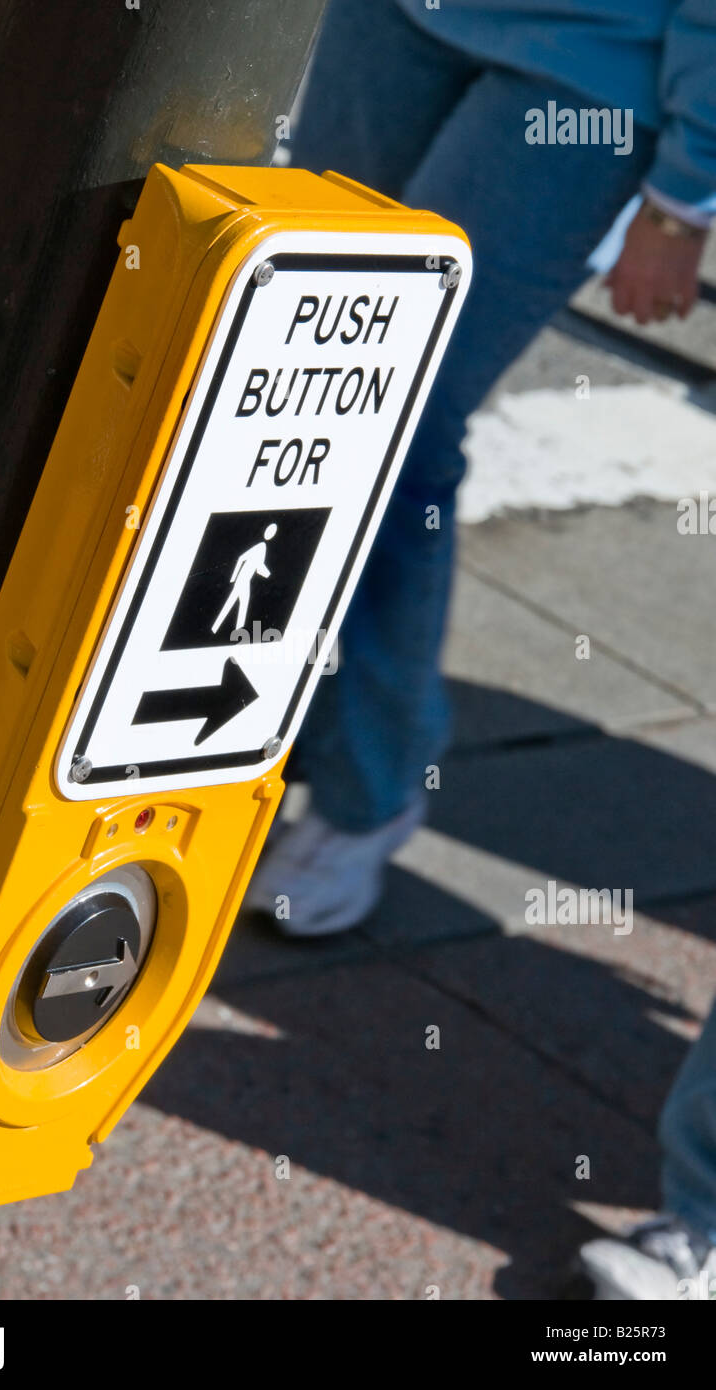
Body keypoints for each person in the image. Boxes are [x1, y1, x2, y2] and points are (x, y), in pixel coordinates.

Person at [244, 0, 716, 1300]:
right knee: (296, 365)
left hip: (593, 58)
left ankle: (367, 784)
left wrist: (686, 189)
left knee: (397, 425)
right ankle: (310, 746)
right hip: (403, 18)